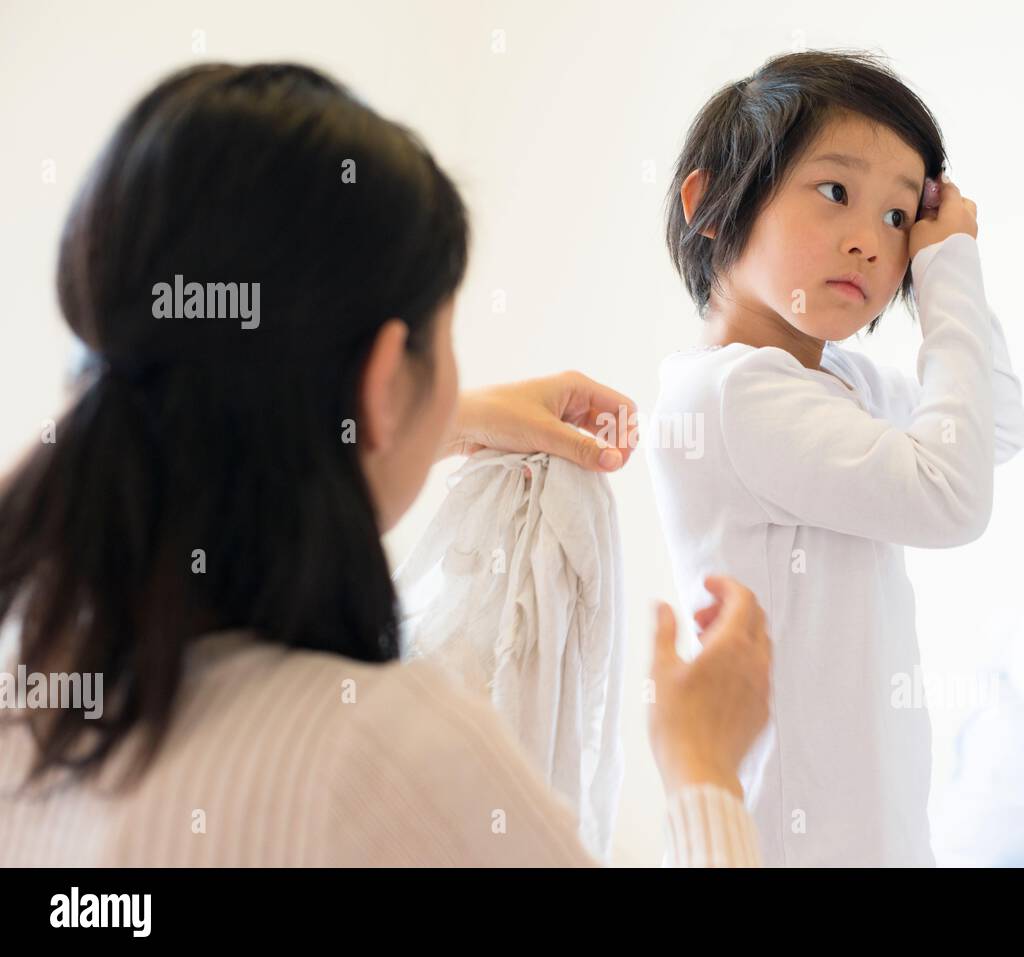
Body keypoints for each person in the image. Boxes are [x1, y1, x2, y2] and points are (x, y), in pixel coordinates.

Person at [0, 61, 770, 867]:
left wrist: (433, 419)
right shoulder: (388, 760)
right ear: (382, 377)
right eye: (444, 341)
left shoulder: (37, 678)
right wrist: (704, 773)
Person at [647, 50, 1024, 866]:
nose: (869, 241)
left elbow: (994, 432)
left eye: (898, 218)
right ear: (711, 205)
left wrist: (941, 268)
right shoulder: (731, 394)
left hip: (871, 833)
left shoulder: (836, 378)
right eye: (835, 192)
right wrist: (947, 264)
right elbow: (950, 499)